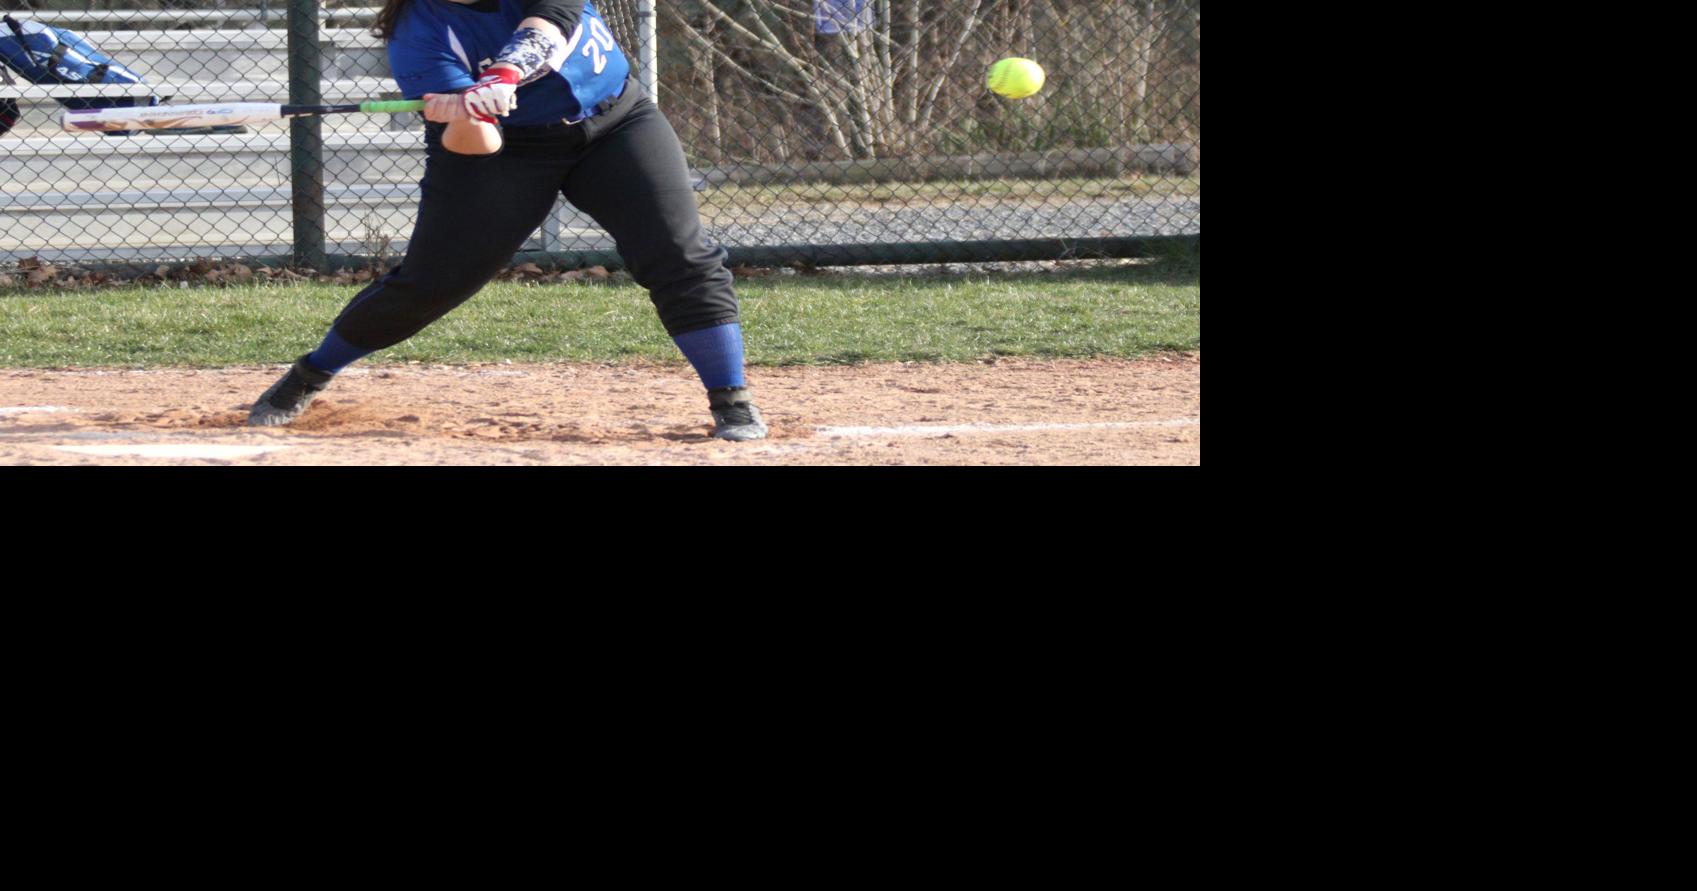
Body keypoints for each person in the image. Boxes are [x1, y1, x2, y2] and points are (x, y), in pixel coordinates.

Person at [248, 0, 766, 441]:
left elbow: (551, 20)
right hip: (505, 153)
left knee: (678, 254)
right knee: (431, 284)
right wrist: (471, 113)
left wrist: (502, 75)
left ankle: (730, 399)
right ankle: (312, 372)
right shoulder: (419, 36)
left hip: (617, 122)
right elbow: (477, 147)